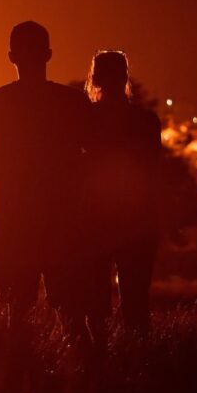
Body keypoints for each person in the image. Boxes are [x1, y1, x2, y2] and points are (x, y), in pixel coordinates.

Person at [0, 21, 94, 339]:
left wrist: (11, 170)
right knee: (72, 313)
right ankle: (87, 379)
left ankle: (18, 376)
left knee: (18, 311)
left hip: (14, 219)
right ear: (48, 54)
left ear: (11, 57)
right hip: (64, 221)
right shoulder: (73, 103)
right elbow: (95, 158)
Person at [82, 51, 162, 333]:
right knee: (136, 300)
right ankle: (139, 359)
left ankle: (99, 357)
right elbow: (154, 173)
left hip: (94, 218)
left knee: (95, 300)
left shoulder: (85, 119)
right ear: (126, 77)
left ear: (95, 78)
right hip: (137, 219)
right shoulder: (146, 121)